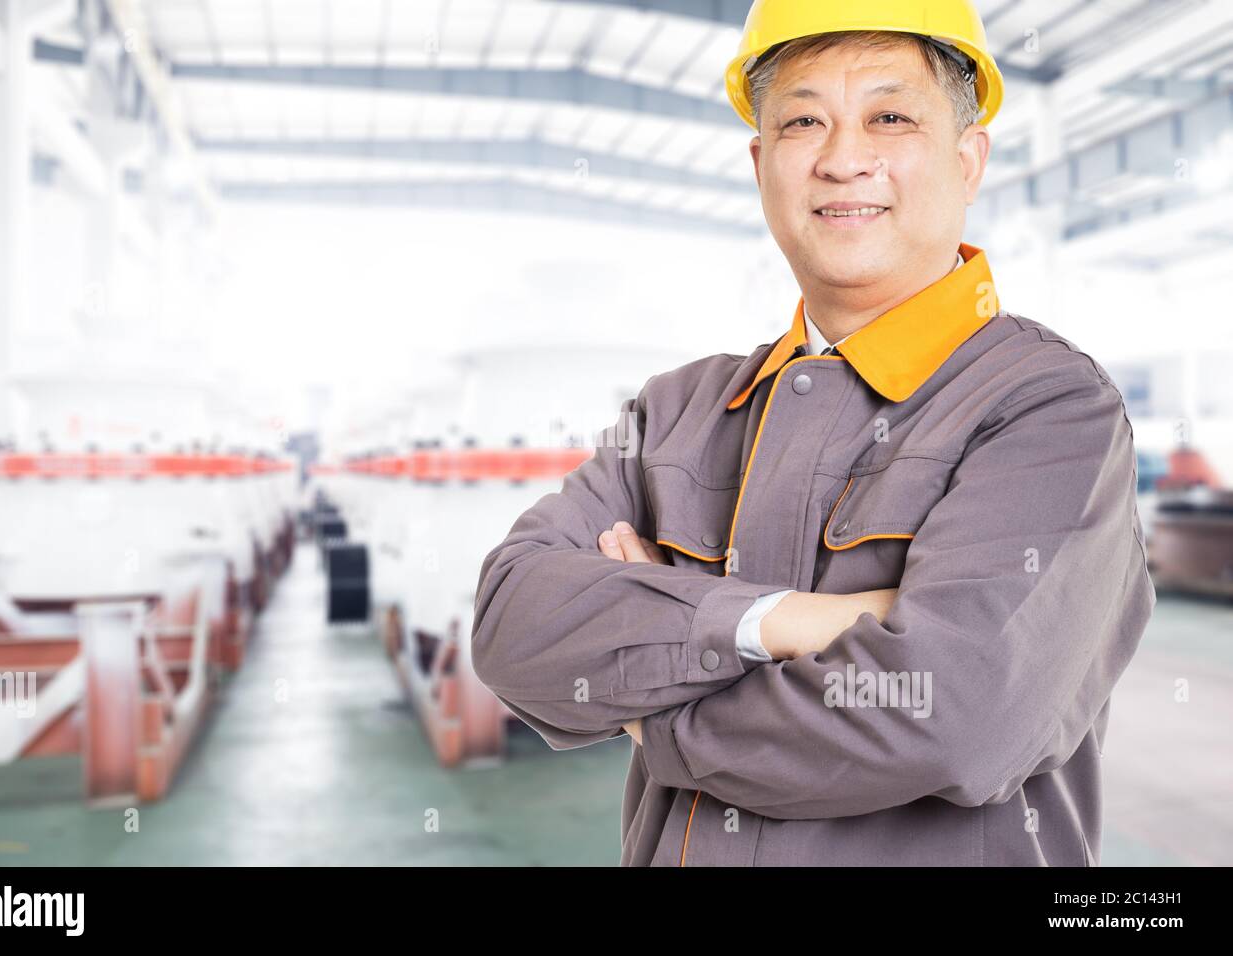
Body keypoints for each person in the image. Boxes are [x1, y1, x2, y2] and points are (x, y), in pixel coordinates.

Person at [471, 0, 1155, 866]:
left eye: (890, 116)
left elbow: (959, 716)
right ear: (762, 164)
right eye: (803, 122)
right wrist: (789, 624)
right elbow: (511, 630)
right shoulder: (676, 409)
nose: (842, 160)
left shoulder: (1049, 409)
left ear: (969, 158)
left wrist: (651, 704)